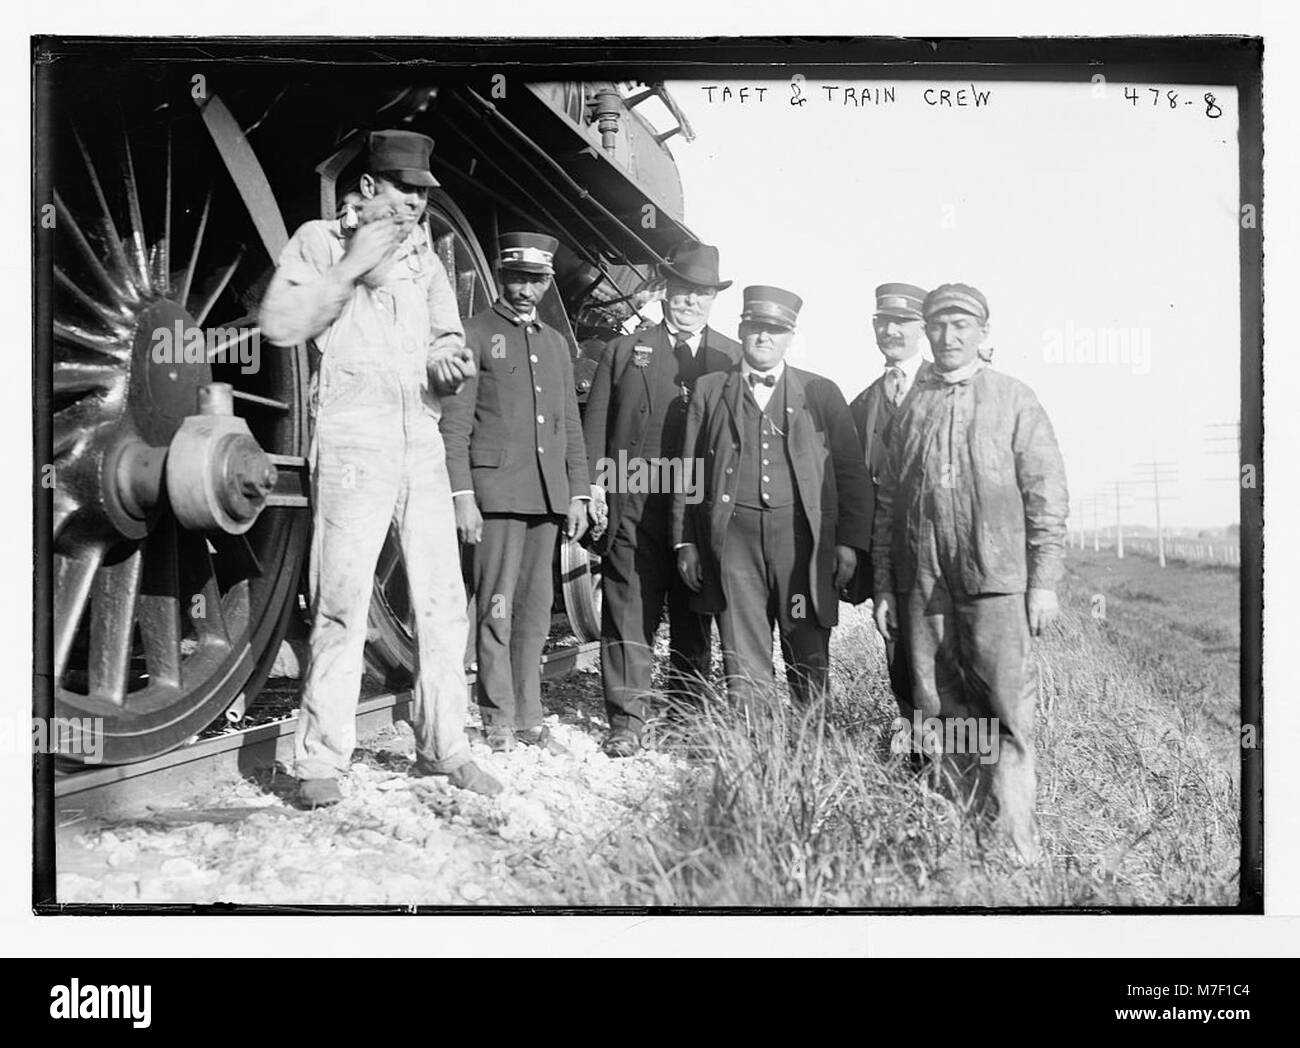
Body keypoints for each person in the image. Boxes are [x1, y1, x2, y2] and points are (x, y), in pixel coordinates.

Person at [259, 129, 501, 807]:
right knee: (340, 601)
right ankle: (319, 760)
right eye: (405, 191)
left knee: (443, 602)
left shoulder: (425, 256)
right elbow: (281, 324)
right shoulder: (317, 240)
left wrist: (449, 362)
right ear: (367, 187)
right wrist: (350, 266)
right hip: (352, 436)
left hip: (417, 438)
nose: (419, 207)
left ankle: (446, 745)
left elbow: (447, 339)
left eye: (425, 195)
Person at [871, 283, 1068, 861]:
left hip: (997, 585)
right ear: (926, 333)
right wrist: (885, 583)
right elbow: (888, 504)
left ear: (984, 333)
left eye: (962, 327)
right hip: (924, 589)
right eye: (938, 327)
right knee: (940, 713)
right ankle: (962, 838)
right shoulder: (914, 406)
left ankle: (1015, 846)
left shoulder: (1014, 398)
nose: (949, 338)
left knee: (1005, 713)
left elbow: (1046, 494)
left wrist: (1045, 581)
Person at [673, 286, 872, 707]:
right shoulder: (710, 390)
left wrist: (849, 542)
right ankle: (751, 755)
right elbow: (688, 471)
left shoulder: (821, 392)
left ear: (790, 337)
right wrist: (685, 539)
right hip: (734, 546)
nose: (764, 337)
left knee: (806, 648)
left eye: (774, 330)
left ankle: (810, 755)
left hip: (799, 546)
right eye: (755, 328)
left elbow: (851, 472)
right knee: (743, 657)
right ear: (741, 330)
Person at [582, 240, 740, 757]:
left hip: (694, 504)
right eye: (681, 291)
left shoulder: (730, 358)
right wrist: (595, 488)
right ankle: (626, 721)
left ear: (713, 300)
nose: (689, 302)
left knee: (692, 612)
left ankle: (686, 719)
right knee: (628, 606)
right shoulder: (625, 350)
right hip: (632, 495)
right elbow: (597, 424)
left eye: (700, 294)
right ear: (666, 292)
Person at [439, 232, 591, 755]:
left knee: (534, 611)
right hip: (497, 495)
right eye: (518, 279)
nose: (527, 290)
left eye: (537, 280)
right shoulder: (474, 333)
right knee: (497, 609)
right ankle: (496, 716)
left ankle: (530, 715)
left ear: (549, 282)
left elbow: (570, 425)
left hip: (547, 498)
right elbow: (455, 425)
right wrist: (462, 495)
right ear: (501, 279)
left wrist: (578, 493)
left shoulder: (554, 343)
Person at [843, 283, 930, 711]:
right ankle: (918, 773)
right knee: (902, 669)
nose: (892, 330)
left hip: (944, 560)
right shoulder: (862, 405)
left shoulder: (949, 388)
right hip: (891, 565)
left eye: (903, 322)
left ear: (923, 328)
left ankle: (962, 772)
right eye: (884, 322)